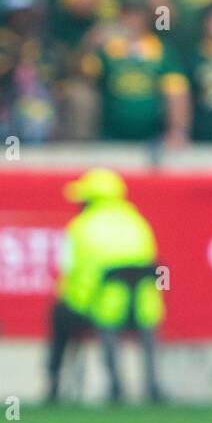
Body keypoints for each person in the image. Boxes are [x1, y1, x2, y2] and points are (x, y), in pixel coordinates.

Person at [47, 167, 165, 403]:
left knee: (58, 315)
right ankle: (152, 385)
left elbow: (68, 273)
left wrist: (70, 301)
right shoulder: (138, 222)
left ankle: (55, 386)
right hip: (144, 309)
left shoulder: (80, 228)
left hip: (98, 307)